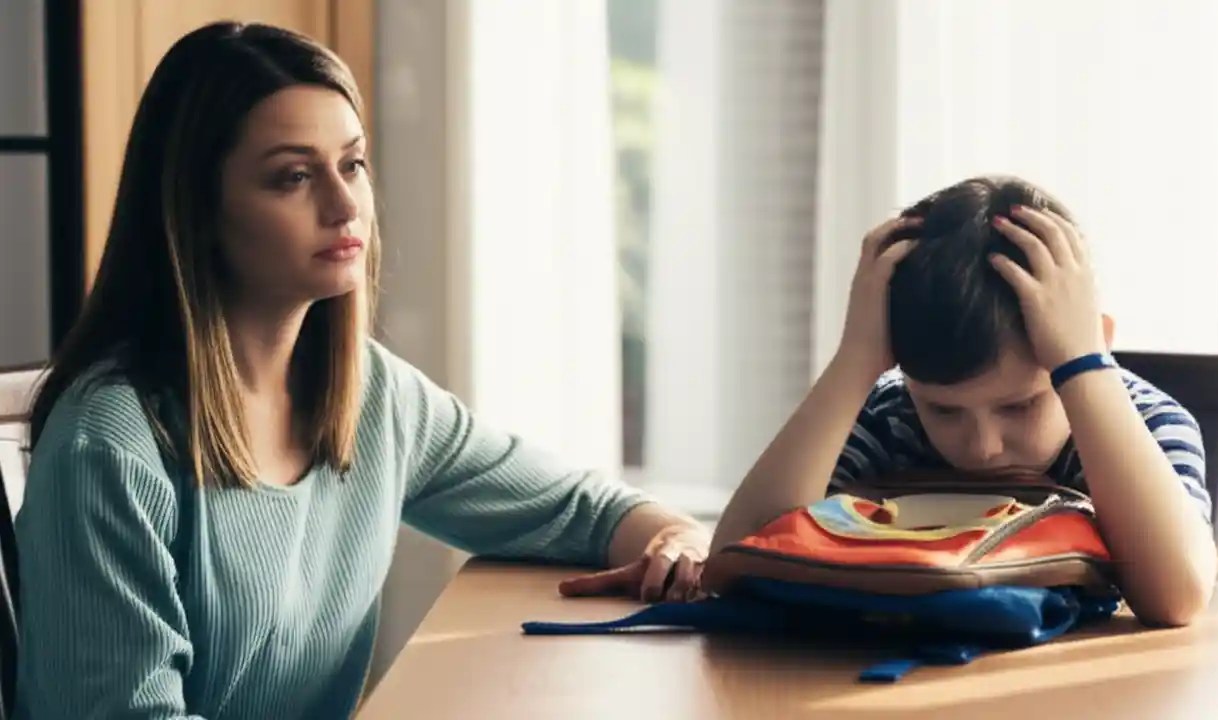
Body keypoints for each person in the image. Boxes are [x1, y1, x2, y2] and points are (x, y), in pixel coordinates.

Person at [15, 22, 707, 719]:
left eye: (352, 164)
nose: (345, 206)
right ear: (196, 213)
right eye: (293, 176)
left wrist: (674, 541)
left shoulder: (371, 397)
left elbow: (581, 510)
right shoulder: (107, 448)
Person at [711, 176, 1217, 628]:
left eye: (1019, 407)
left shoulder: (1149, 423)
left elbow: (1178, 597)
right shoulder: (891, 420)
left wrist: (1083, 363)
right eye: (944, 410)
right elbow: (737, 564)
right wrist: (855, 361)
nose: (983, 447)